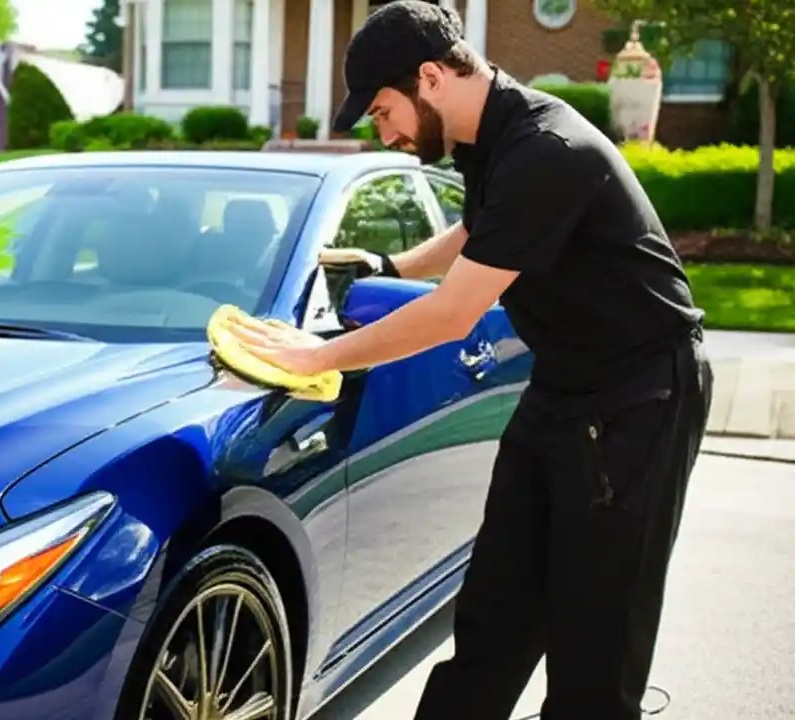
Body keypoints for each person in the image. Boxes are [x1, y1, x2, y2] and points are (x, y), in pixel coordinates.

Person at [225, 2, 714, 718]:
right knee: (493, 617)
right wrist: (389, 264)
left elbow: (454, 314)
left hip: (640, 398)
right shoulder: (489, 135)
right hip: (562, 389)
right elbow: (478, 230)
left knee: (593, 652)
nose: (382, 131)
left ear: (430, 77)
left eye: (384, 110)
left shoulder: (548, 149)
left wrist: (318, 354)